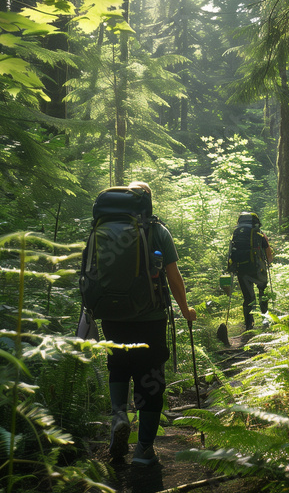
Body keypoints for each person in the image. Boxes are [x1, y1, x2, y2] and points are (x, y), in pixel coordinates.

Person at [103, 181, 196, 466]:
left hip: (112, 316)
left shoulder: (104, 229)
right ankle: (143, 449)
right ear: (148, 201)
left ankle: (120, 418)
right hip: (150, 318)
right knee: (150, 379)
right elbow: (173, 277)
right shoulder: (158, 231)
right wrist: (185, 309)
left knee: (118, 366)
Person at [232, 212, 273, 331]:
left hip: (242, 270)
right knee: (262, 293)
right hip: (258, 270)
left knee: (248, 298)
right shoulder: (260, 234)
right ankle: (265, 320)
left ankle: (249, 325)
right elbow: (269, 256)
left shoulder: (236, 234)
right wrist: (268, 263)